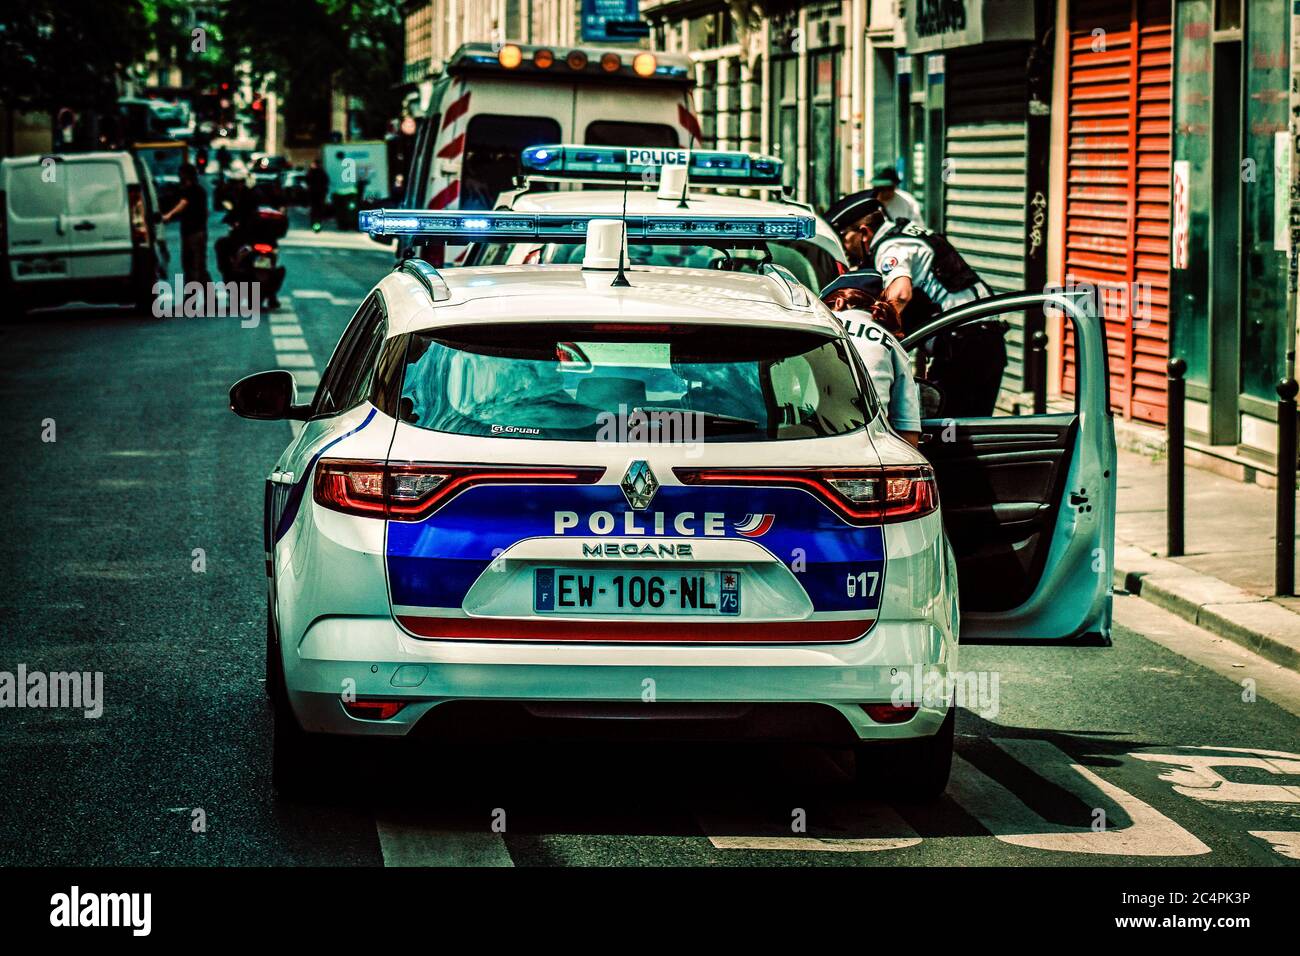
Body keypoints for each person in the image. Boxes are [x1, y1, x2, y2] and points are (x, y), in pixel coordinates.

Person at [829, 196, 1007, 417]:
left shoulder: (892, 247)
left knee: (948, 431)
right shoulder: (911, 234)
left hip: (964, 348)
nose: (844, 246)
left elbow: (901, 294)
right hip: (986, 343)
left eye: (844, 236)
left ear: (864, 233)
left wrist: (877, 338)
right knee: (971, 430)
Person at [820, 272, 921, 447]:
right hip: (866, 451)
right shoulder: (892, 345)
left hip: (807, 441)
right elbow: (908, 433)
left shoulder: (816, 327)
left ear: (838, 303)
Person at [160, 163, 211, 289]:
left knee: (195, 267)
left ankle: (196, 300)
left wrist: (169, 215)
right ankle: (199, 299)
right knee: (192, 267)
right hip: (190, 232)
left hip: (195, 233)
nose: (179, 176)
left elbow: (183, 204)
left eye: (181, 173)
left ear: (186, 175)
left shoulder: (193, 190)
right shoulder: (191, 190)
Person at [306, 159, 329, 232]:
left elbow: (307, 181)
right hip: (318, 193)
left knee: (315, 209)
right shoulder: (321, 172)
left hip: (315, 193)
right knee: (317, 209)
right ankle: (317, 222)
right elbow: (326, 181)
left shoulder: (311, 172)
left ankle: (315, 222)